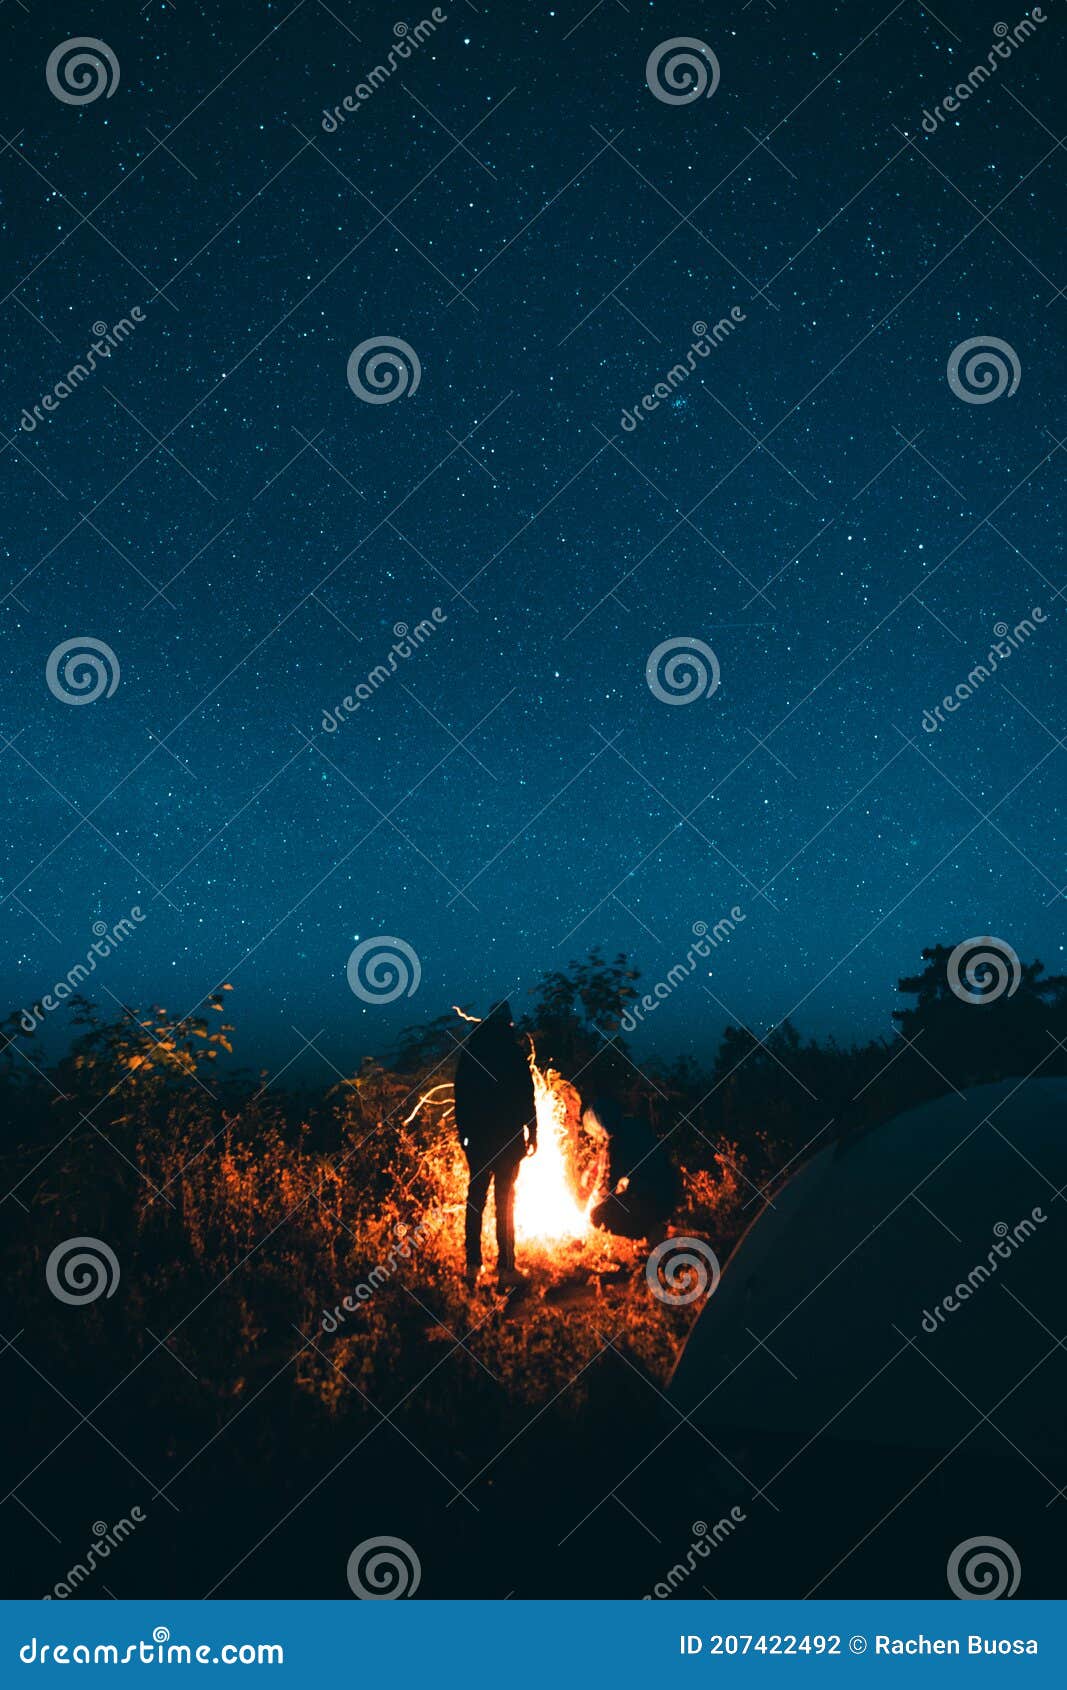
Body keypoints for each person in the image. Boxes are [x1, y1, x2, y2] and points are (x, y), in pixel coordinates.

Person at [453, 1001, 537, 1291]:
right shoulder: (513, 1053)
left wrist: (464, 1135)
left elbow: (460, 1096)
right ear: (508, 1024)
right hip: (508, 1140)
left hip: (477, 1141)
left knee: (476, 1200)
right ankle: (506, 1269)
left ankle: (472, 1267)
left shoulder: (472, 1052)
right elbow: (527, 1096)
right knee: (505, 1203)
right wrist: (532, 1132)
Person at [582, 1097, 679, 1243]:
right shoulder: (634, 1127)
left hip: (652, 1201)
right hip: (670, 1195)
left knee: (597, 1215)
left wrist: (588, 1211)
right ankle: (653, 1224)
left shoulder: (614, 1144)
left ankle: (647, 1231)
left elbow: (607, 1189)